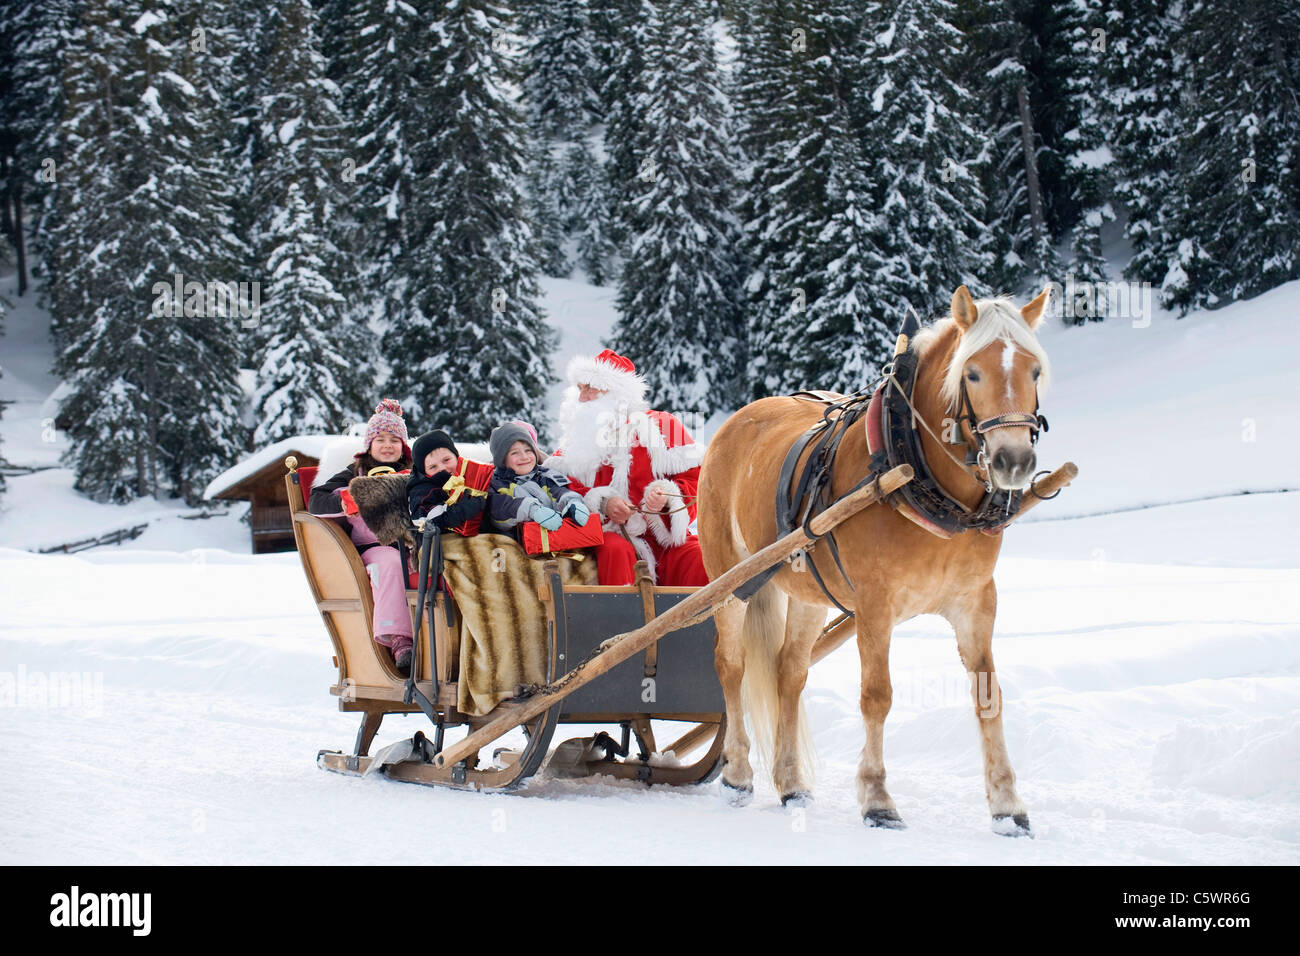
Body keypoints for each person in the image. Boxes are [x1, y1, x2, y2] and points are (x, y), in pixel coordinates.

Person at [545, 349, 709, 586]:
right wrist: (602, 503)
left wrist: (666, 498)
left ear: (616, 394)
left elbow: (696, 483)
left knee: (698, 557)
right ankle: (624, 623)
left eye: (590, 389)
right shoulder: (576, 441)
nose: (582, 398)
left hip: (662, 537)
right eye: (580, 389)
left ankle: (701, 622)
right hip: (608, 536)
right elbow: (556, 486)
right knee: (617, 551)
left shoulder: (662, 427)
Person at [308, 399, 416, 674]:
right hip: (373, 546)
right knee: (391, 564)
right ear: (369, 444)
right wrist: (344, 501)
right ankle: (400, 640)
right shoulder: (354, 472)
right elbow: (317, 500)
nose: (387, 445)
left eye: (394, 439)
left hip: (412, 544)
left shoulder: (414, 471)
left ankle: (442, 639)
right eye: (380, 439)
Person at [485, 420, 591, 542]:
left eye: (528, 450)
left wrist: (571, 501)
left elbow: (558, 491)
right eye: (515, 453)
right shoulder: (496, 484)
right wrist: (532, 510)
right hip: (517, 546)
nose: (524, 457)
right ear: (501, 460)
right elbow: (500, 509)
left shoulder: (545, 475)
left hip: (554, 542)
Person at [406, 429, 488, 532]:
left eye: (446, 460)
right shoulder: (421, 489)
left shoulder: (468, 476)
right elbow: (423, 520)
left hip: (477, 538)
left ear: (456, 457)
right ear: (424, 472)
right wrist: (459, 511)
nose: (442, 468)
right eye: (433, 467)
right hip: (438, 543)